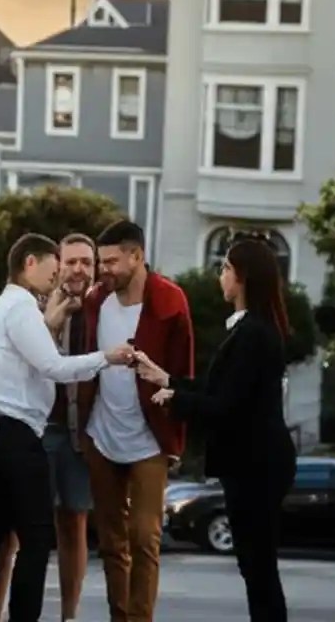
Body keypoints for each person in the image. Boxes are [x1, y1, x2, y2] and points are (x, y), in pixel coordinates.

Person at [0, 233, 134, 622]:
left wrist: (52, 323)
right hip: (16, 434)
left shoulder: (10, 307)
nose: (56, 278)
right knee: (37, 540)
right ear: (29, 264)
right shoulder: (20, 306)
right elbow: (54, 367)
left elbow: (36, 356)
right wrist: (107, 357)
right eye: (52, 269)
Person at [134, 238, 297, 622]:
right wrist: (167, 378)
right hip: (255, 462)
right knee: (255, 567)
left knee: (258, 568)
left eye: (225, 267)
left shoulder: (253, 334)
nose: (220, 275)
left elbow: (226, 407)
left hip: (257, 466)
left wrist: (174, 398)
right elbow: (221, 393)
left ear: (241, 278)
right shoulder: (252, 330)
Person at [76, 220, 194, 622]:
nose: (103, 269)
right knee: (111, 542)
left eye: (111, 261)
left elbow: (184, 372)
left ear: (137, 256)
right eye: (100, 261)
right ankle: (119, 616)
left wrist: (175, 438)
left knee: (145, 537)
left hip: (150, 437)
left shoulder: (170, 302)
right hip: (101, 434)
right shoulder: (96, 301)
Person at [0, 233, 97, 622]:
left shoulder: (98, 309)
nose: (76, 270)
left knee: (73, 522)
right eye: (69, 262)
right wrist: (51, 321)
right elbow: (42, 363)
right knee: (17, 533)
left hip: (78, 429)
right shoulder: (28, 306)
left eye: (87, 262)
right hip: (35, 427)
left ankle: (69, 615)